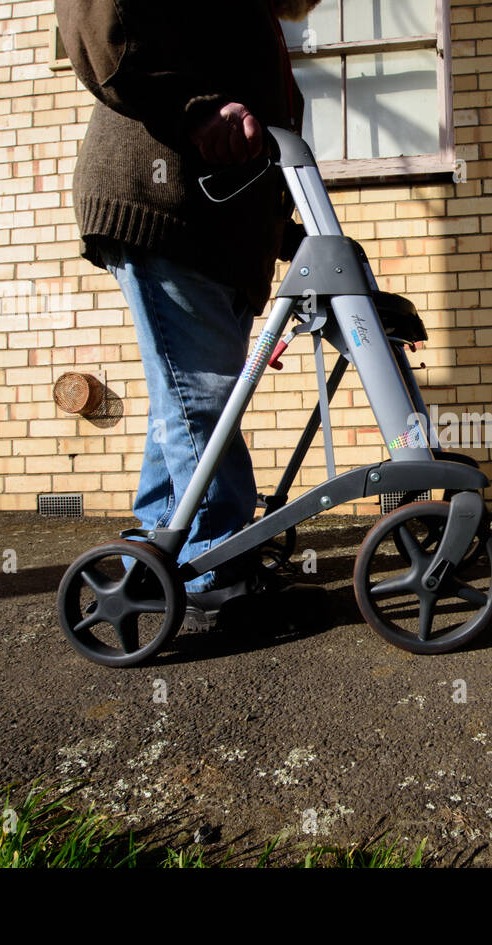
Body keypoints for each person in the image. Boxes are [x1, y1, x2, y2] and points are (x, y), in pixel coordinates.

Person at [56, 0, 323, 630]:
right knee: (203, 397)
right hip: (169, 208)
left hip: (217, 238)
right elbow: (99, 17)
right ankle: (216, 570)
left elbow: (257, 166)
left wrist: (297, 241)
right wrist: (195, 108)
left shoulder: (256, 21)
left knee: (181, 401)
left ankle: (156, 548)